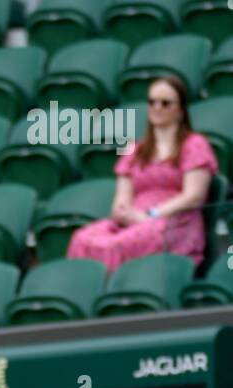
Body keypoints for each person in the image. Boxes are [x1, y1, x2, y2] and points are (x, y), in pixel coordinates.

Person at [67, 76, 218, 272]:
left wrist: (151, 215)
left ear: (181, 110)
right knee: (82, 238)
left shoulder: (194, 144)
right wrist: (124, 213)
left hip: (175, 222)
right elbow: (122, 198)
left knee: (124, 242)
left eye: (165, 103)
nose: (157, 107)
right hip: (133, 219)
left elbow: (194, 196)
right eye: (152, 102)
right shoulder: (135, 149)